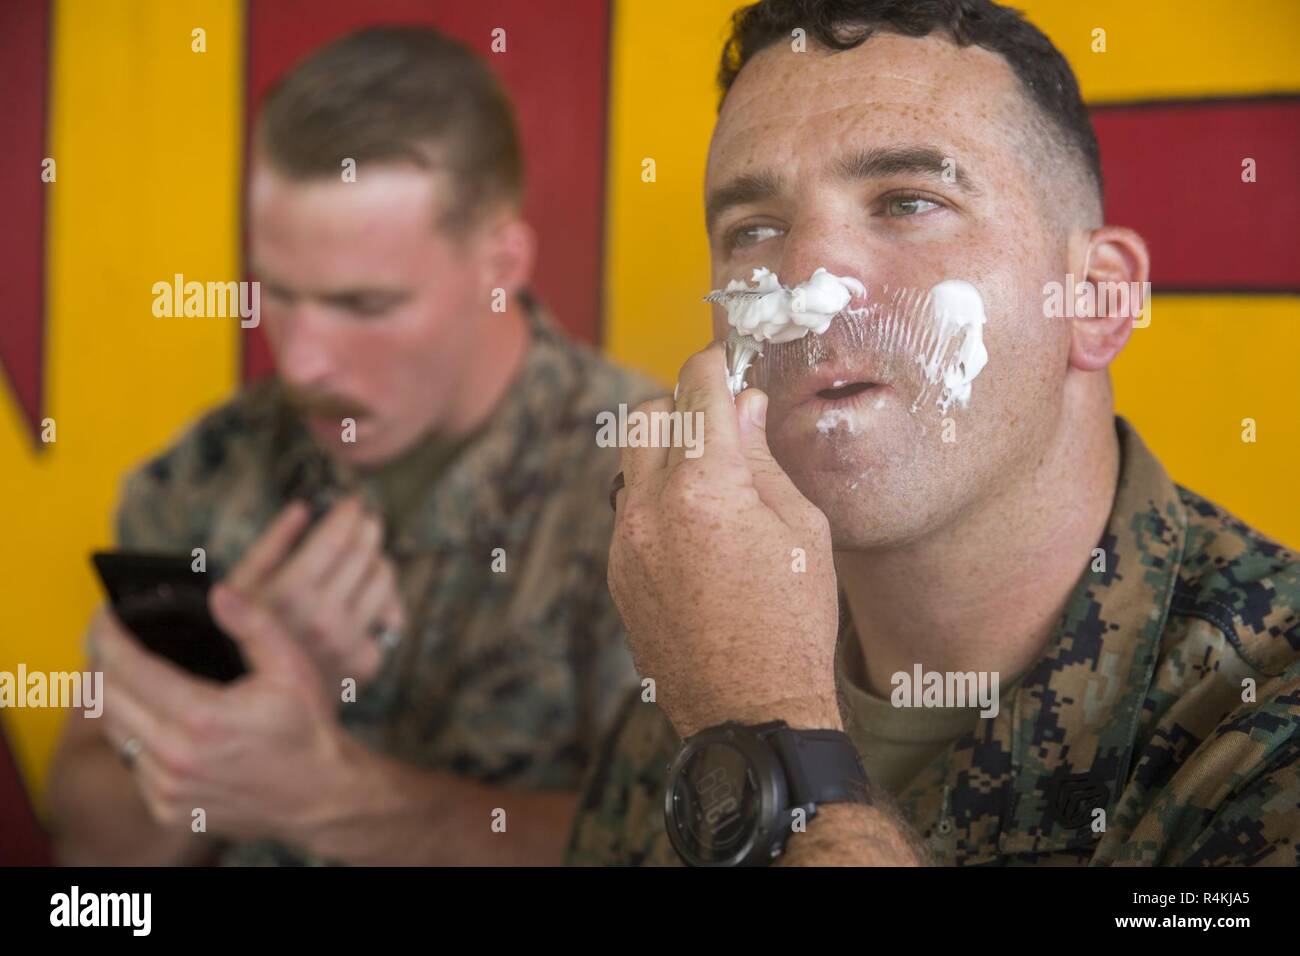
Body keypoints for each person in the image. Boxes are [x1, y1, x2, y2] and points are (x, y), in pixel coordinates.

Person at [568, 0, 1300, 866]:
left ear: (1097, 300)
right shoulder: (693, 663)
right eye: (754, 230)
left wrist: (767, 735)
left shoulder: (1264, 718)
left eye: (909, 201)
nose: (809, 278)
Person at [48, 26, 660, 866]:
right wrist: (228, 694)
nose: (301, 360)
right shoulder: (207, 471)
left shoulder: (656, 480)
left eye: (365, 305)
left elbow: (687, 847)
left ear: (501, 262)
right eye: (281, 294)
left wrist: (328, 797)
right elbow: (91, 853)